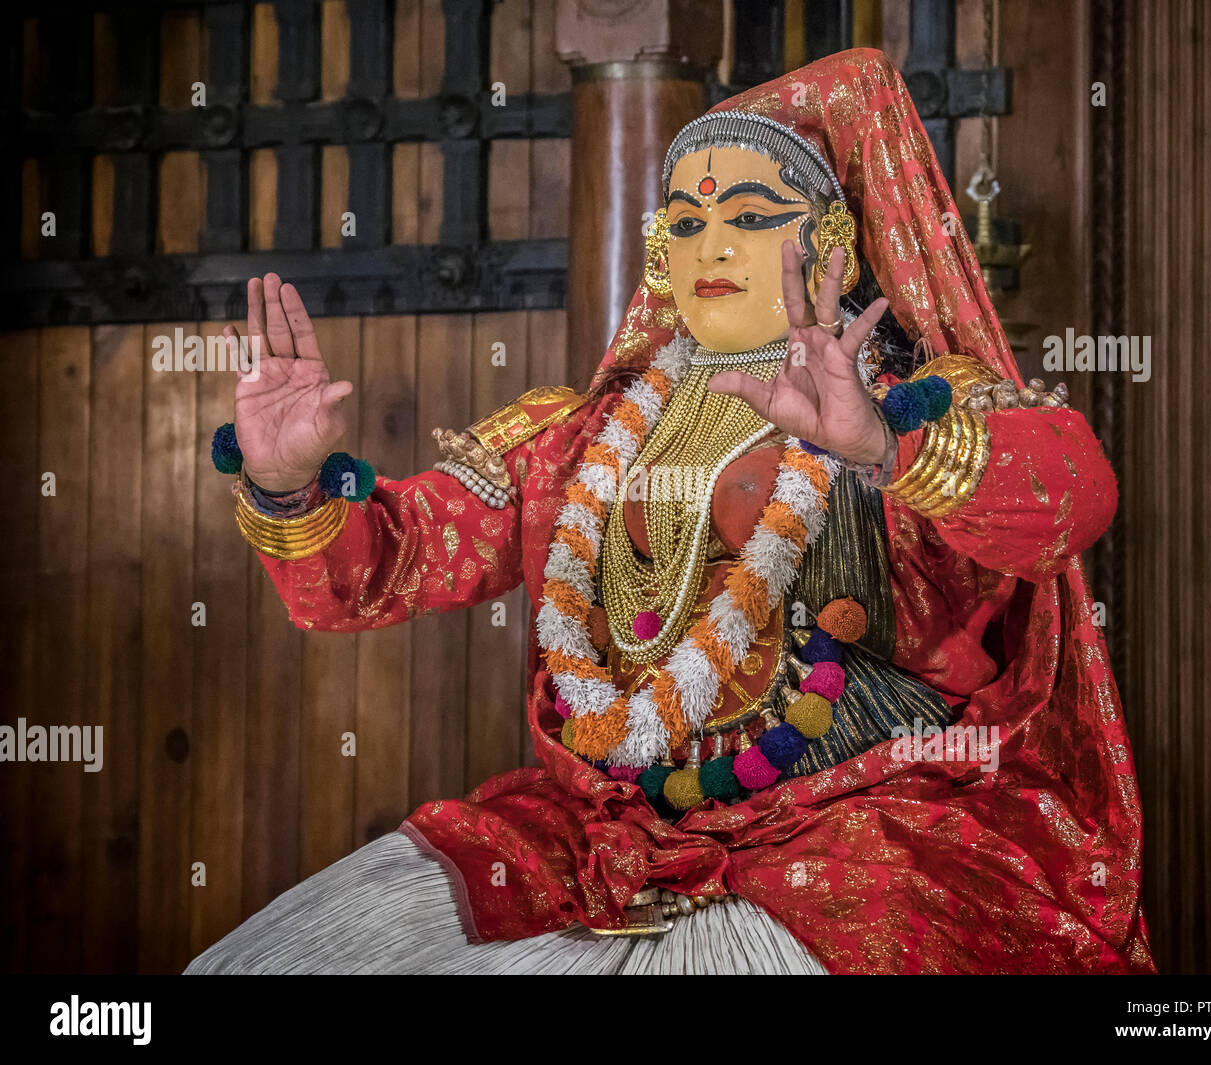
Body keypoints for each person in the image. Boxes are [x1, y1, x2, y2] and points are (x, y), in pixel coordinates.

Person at [187, 48, 1155, 975]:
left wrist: (881, 447)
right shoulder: (582, 437)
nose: (711, 245)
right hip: (609, 829)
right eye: (683, 225)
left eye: (747, 214)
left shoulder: (914, 401)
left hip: (860, 822)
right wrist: (287, 483)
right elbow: (391, 562)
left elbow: (1073, 499)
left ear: (828, 240)